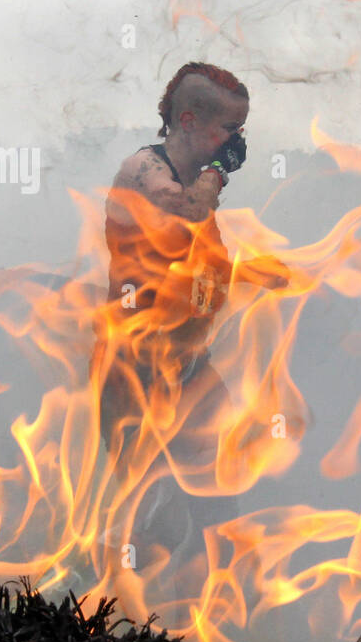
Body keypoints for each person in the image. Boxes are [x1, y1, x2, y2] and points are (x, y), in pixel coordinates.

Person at [90, 62, 252, 567]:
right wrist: (216, 173)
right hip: (135, 369)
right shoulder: (144, 170)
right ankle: (95, 595)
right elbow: (183, 213)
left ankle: (216, 599)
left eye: (241, 129)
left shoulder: (195, 181)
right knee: (147, 512)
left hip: (190, 367)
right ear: (188, 121)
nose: (236, 141)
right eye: (229, 129)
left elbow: (201, 272)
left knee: (217, 498)